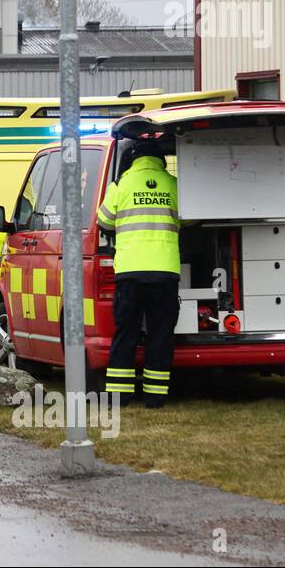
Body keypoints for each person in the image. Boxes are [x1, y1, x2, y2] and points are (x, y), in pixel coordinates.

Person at [96, 137, 181, 409]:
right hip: (165, 271)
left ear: (133, 159)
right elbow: (188, 218)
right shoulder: (173, 184)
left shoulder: (121, 184)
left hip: (130, 272)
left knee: (126, 332)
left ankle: (120, 395)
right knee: (160, 333)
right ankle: (155, 396)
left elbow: (104, 220)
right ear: (161, 159)